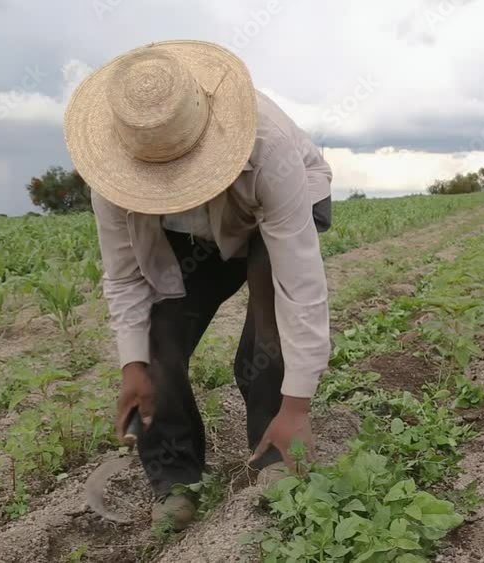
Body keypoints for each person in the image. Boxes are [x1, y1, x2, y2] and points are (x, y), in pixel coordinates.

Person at [63, 40, 332, 530]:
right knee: (157, 341)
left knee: (266, 335)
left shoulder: (268, 147)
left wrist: (298, 405)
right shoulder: (111, 169)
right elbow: (124, 278)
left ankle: (276, 456)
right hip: (187, 235)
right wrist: (132, 365)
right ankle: (176, 479)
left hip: (261, 211)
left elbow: (302, 287)